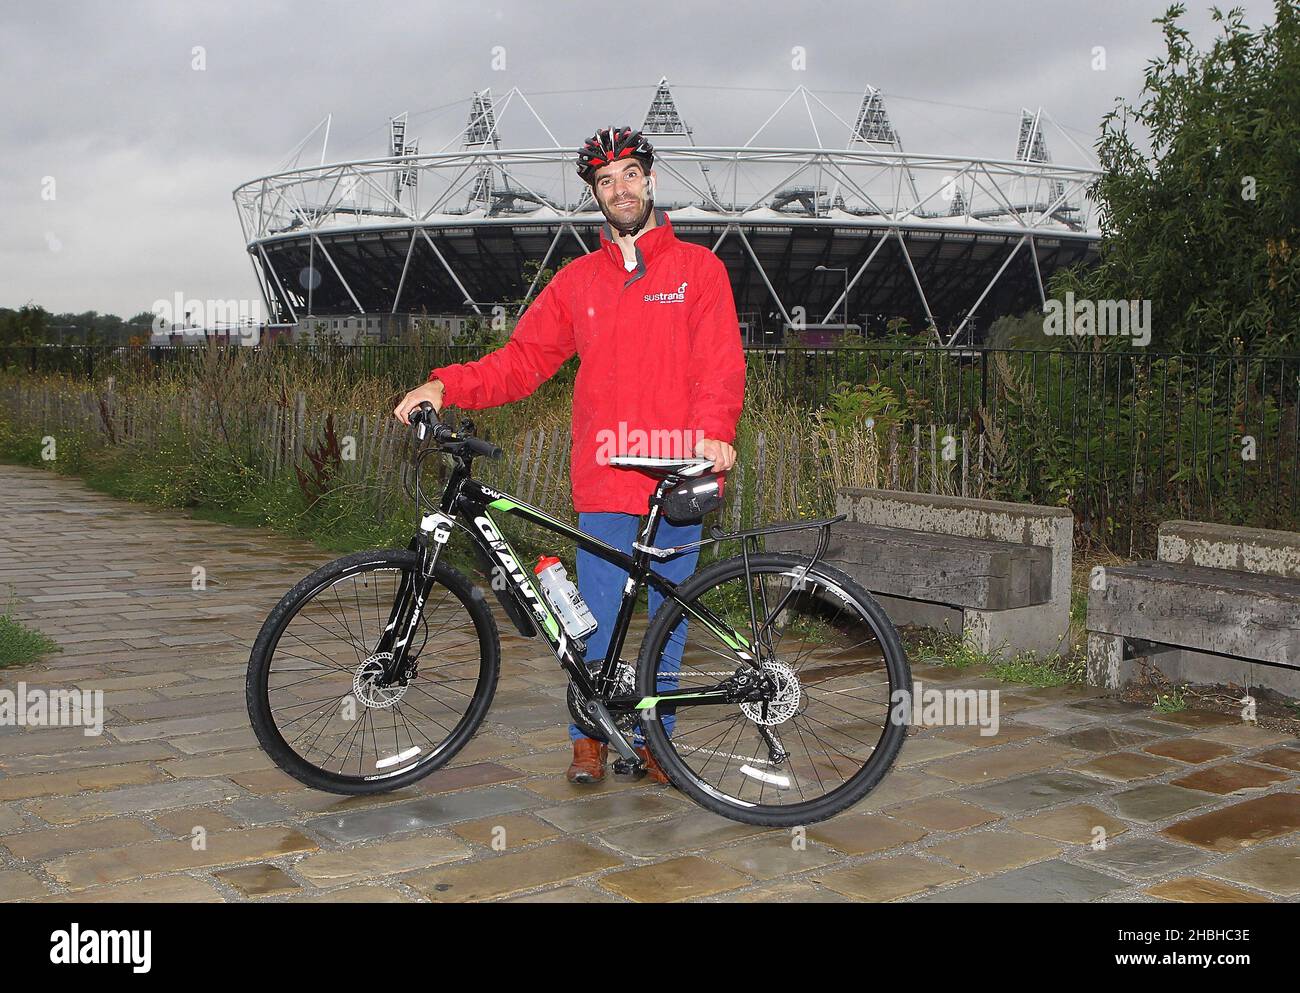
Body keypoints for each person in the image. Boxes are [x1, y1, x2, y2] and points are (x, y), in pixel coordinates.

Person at [393, 125, 745, 785]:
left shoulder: (699, 269)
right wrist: (448, 383)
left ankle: (655, 744)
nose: (620, 189)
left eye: (630, 175)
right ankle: (589, 737)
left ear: (651, 180)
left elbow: (720, 362)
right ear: (595, 195)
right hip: (608, 476)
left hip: (681, 471)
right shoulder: (578, 281)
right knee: (596, 621)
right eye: (605, 182)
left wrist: (715, 428)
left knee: (666, 624)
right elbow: (523, 361)